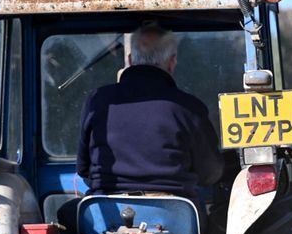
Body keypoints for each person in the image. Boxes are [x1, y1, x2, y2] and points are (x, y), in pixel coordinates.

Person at [75, 23, 223, 199]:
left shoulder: (97, 100)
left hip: (107, 212)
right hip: (176, 215)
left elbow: (84, 168)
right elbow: (210, 173)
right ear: (172, 62)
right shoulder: (189, 107)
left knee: (64, 215)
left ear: (130, 60)